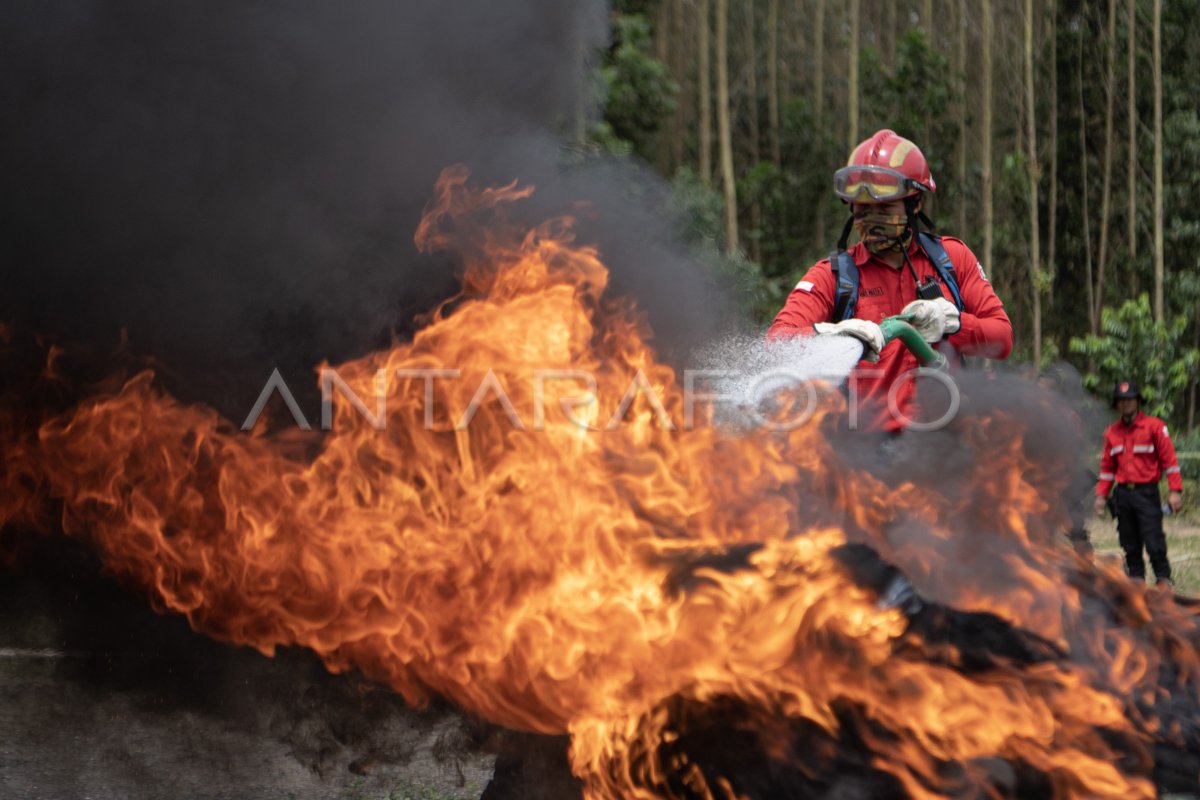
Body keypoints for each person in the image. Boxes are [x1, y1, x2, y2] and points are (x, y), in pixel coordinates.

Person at [767, 129, 1013, 430]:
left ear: (915, 203)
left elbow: (1002, 340)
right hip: (869, 456)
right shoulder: (833, 276)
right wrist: (828, 335)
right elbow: (776, 344)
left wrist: (955, 324)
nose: (872, 221)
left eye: (884, 208)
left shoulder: (951, 259)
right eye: (863, 211)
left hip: (948, 447)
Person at [1093, 381, 1184, 584]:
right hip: (1123, 495)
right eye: (1121, 401)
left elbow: (1170, 462)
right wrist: (1101, 496)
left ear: (1137, 402)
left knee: (1154, 542)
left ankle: (1163, 582)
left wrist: (1175, 491)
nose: (1126, 404)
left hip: (1146, 493)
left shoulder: (1155, 427)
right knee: (1130, 544)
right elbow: (1107, 469)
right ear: (1116, 405)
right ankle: (1136, 586)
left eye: (1130, 400)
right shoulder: (1111, 433)